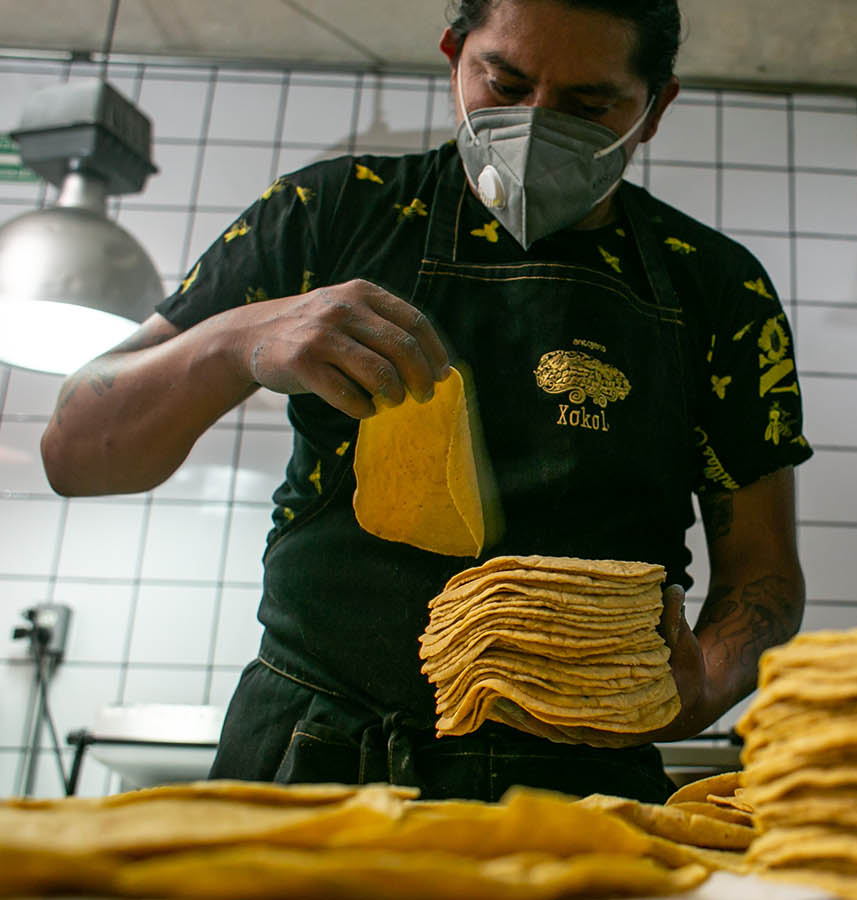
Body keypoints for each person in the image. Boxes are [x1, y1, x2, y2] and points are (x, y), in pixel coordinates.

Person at [40, 0, 812, 803]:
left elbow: (764, 576)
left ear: (654, 110)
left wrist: (704, 686)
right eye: (504, 83)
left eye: (589, 107)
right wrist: (239, 339)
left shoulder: (716, 287)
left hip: (586, 777)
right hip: (313, 751)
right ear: (453, 54)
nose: (535, 125)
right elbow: (74, 452)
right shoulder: (333, 212)